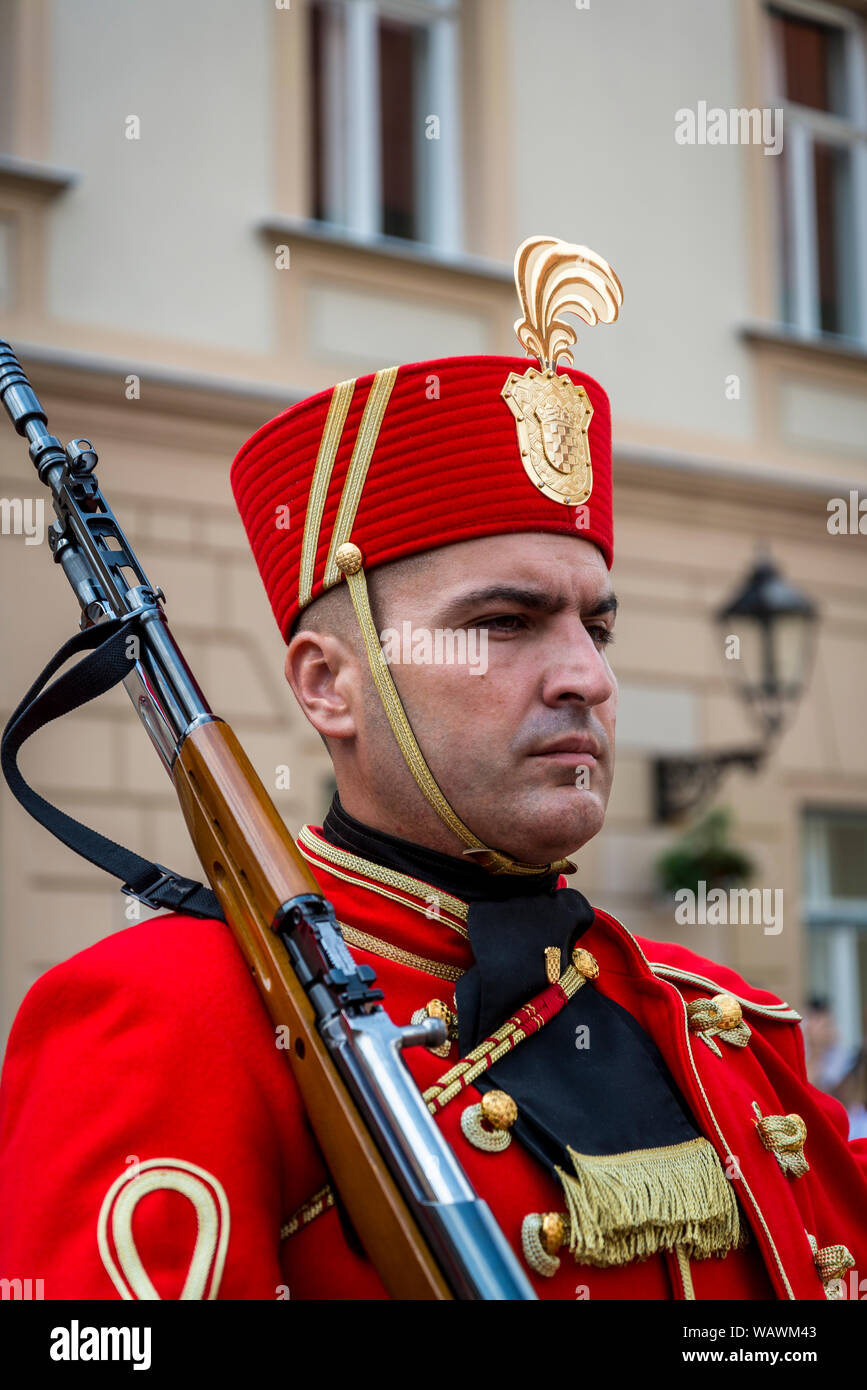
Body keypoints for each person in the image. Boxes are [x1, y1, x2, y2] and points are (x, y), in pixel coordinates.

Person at [0, 237, 864, 1302]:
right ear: (329, 685)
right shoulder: (169, 1019)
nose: (586, 676)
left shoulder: (718, 1020)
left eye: (597, 625)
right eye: (505, 622)